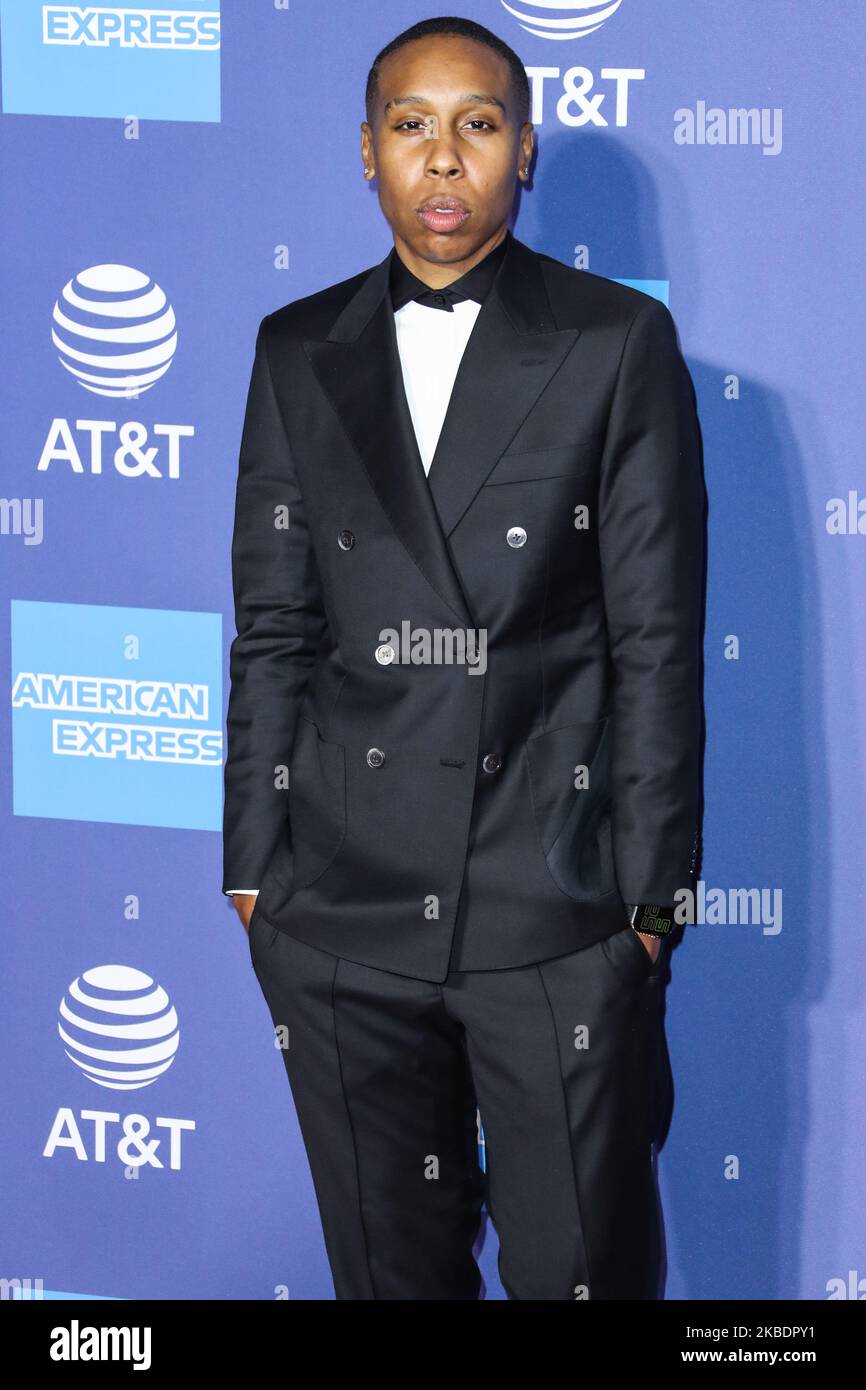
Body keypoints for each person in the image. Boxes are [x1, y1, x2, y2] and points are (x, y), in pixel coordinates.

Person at [223, 14, 705, 1300]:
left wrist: (647, 909)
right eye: (411, 127)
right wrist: (256, 874)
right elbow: (273, 627)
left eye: (477, 126)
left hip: (550, 908)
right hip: (339, 913)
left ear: (524, 151)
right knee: (389, 1278)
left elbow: (655, 640)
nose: (444, 160)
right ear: (367, 154)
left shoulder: (613, 343)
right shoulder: (295, 348)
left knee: (579, 1274)